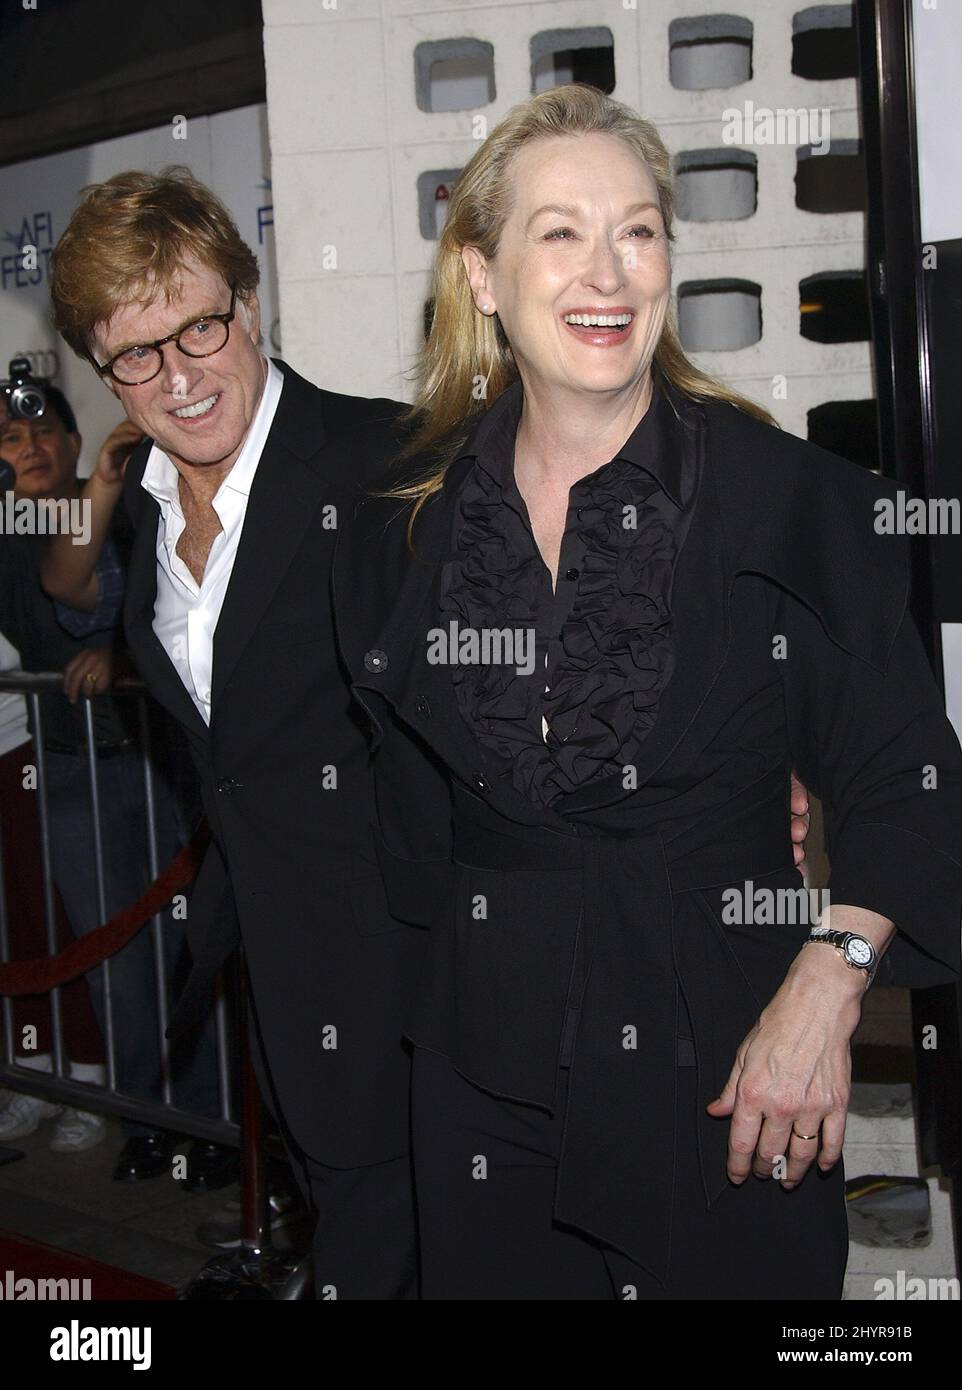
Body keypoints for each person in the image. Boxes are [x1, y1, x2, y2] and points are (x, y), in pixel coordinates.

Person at [47, 164, 811, 1300]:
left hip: (439, 978)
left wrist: (751, 773)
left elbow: (568, 632)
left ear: (247, 305)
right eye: (137, 354)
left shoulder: (389, 466)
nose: (180, 374)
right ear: (104, 370)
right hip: (290, 979)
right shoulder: (147, 508)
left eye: (200, 326)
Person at [330, 84, 962, 1299]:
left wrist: (827, 981)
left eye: (636, 230)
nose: (606, 272)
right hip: (484, 1085)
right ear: (480, 273)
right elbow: (405, 824)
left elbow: (907, 773)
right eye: (557, 232)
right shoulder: (402, 530)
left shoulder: (789, 502)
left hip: (735, 1070)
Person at [0, 387, 222, 1182]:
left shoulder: (134, 496)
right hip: (69, 765)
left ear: (71, 434)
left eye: (40, 430)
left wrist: (125, 663)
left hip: (154, 758)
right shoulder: (16, 530)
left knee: (188, 951)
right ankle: (150, 1123)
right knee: (113, 964)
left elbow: (148, 609)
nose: (27, 446)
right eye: (8, 436)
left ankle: (209, 1123)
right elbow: (60, 592)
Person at [0, 629, 106, 1152]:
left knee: (55, 916)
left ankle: (87, 1079)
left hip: (24, 742)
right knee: (15, 923)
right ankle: (33, 1069)